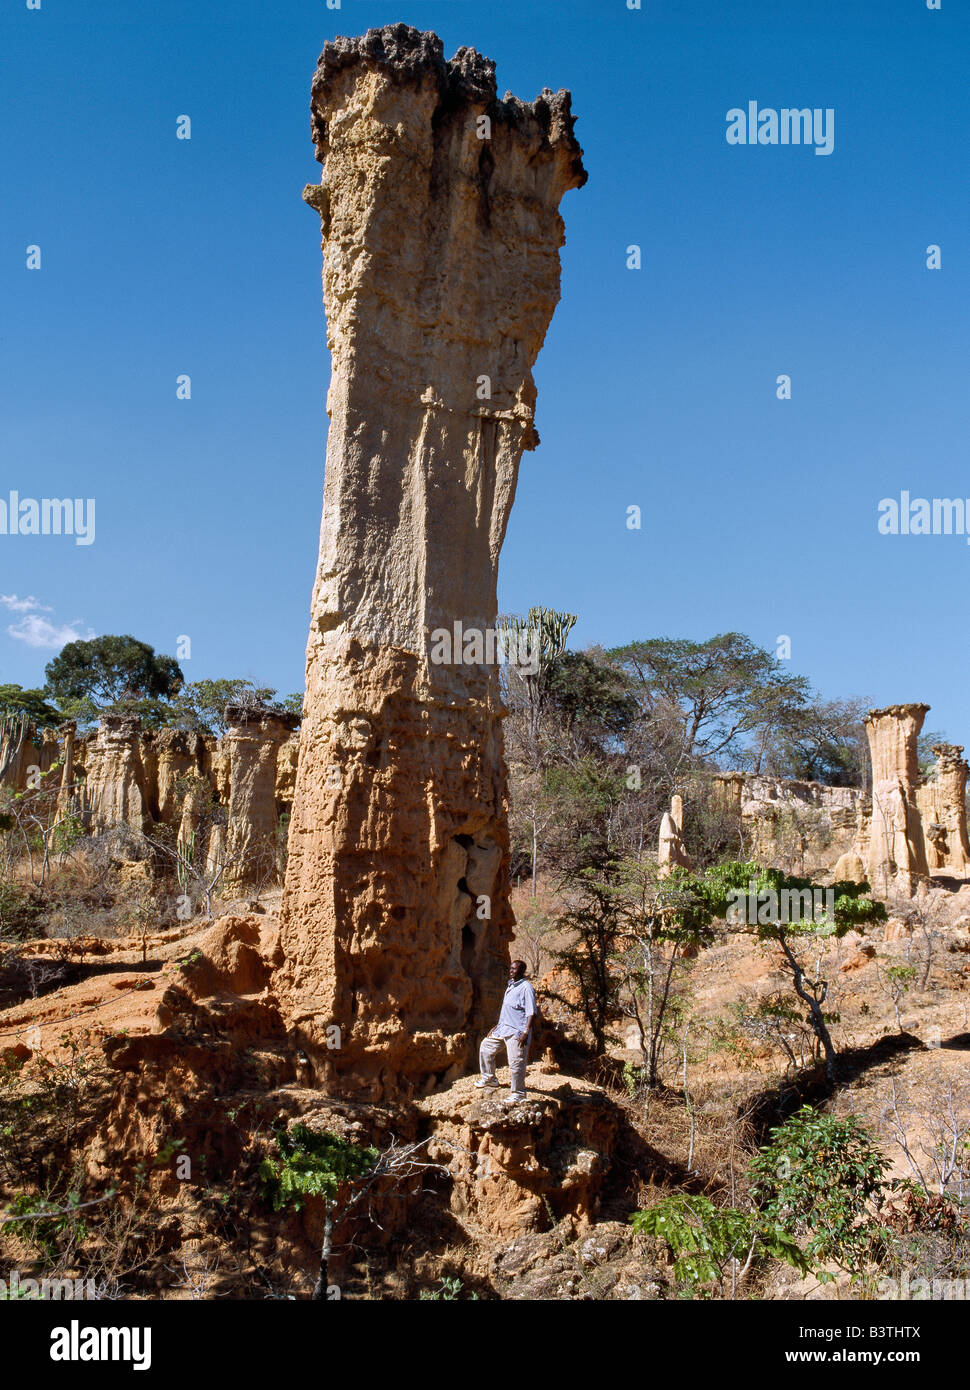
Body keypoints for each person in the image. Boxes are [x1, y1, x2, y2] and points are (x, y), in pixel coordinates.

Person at [476, 959, 536, 1103]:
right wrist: (497, 1026)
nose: (511, 971)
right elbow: (507, 1010)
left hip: (517, 1032)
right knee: (486, 1047)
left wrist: (525, 1032)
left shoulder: (526, 987)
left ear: (521, 971)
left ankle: (519, 1093)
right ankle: (489, 1079)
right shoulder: (510, 986)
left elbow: (531, 1012)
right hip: (503, 1029)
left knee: (516, 1062)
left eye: (514, 969)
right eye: (510, 968)